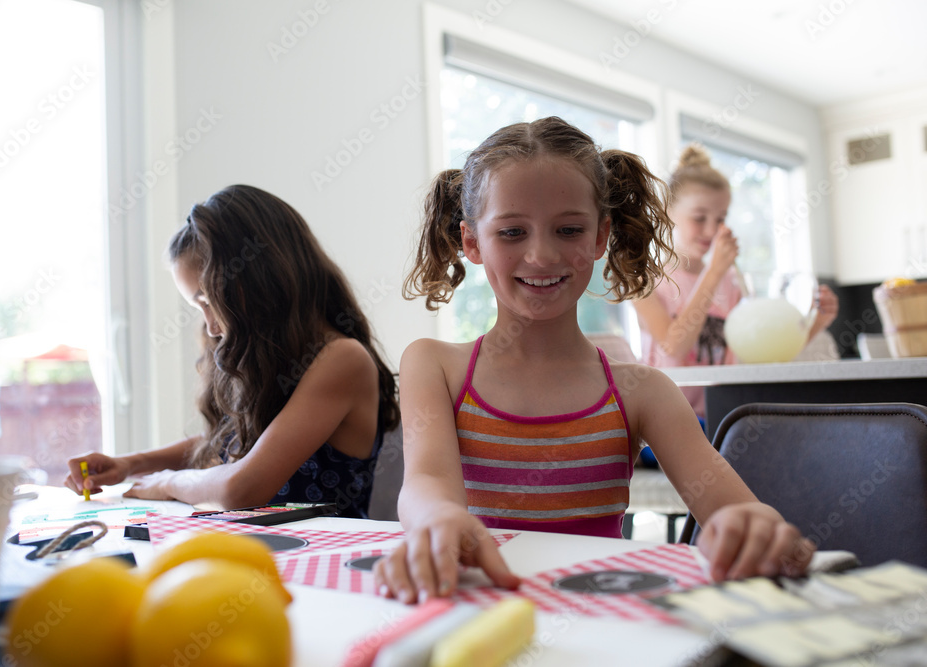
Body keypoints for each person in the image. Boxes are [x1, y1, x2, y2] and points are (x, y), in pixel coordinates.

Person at [373, 117, 814, 603]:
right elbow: (426, 482)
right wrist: (438, 517)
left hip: (602, 610)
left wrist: (751, 525)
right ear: (472, 242)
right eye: (512, 232)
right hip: (478, 608)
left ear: (601, 236)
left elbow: (736, 508)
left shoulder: (643, 390)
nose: (541, 255)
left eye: (568, 229)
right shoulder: (432, 365)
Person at [64, 185, 400, 518]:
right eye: (199, 308)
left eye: (209, 301)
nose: (210, 327)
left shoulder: (343, 359)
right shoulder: (267, 355)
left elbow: (239, 488)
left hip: (325, 558)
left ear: (259, 280)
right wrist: (131, 463)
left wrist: (169, 482)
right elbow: (232, 441)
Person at [634, 144, 838, 418]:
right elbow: (674, 346)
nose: (711, 229)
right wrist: (715, 272)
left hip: (722, 413)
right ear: (667, 211)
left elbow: (765, 353)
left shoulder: (730, 282)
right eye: (699, 217)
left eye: (721, 218)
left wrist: (818, 323)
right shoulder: (644, 281)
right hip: (662, 420)